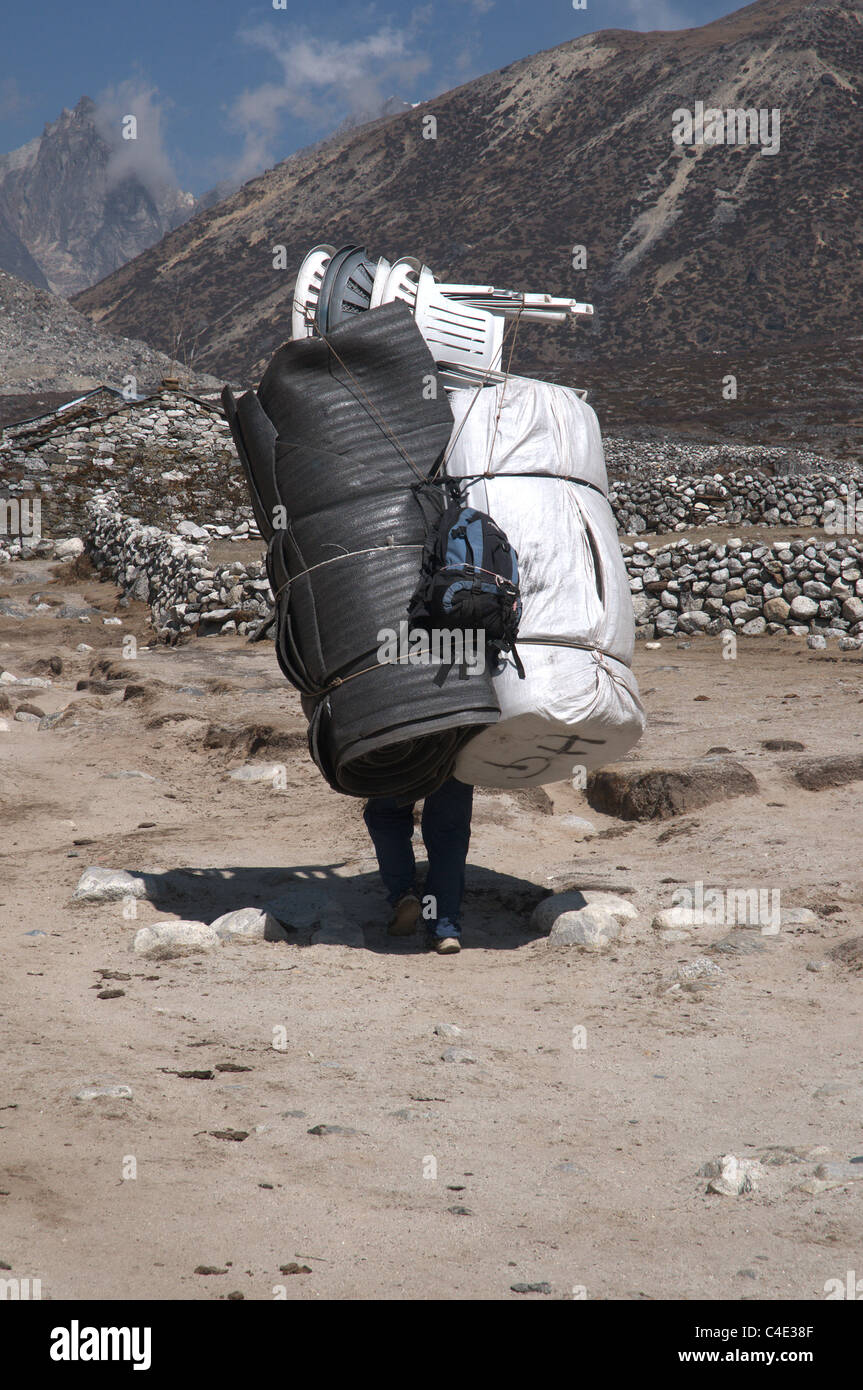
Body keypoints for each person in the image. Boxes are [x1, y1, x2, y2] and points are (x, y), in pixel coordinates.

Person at [363, 777, 473, 954]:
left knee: (387, 814)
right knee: (449, 832)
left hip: (401, 756)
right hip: (455, 755)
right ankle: (442, 927)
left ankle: (405, 895)